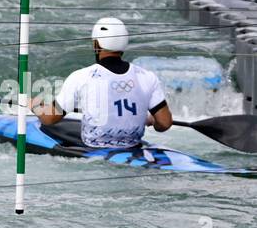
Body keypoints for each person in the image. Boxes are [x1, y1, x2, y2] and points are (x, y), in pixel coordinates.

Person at [30, 17, 173, 149]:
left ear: (96, 44)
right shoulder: (146, 76)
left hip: (95, 148)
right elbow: (165, 123)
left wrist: (35, 105)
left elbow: (50, 119)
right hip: (133, 146)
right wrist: (153, 121)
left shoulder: (81, 76)